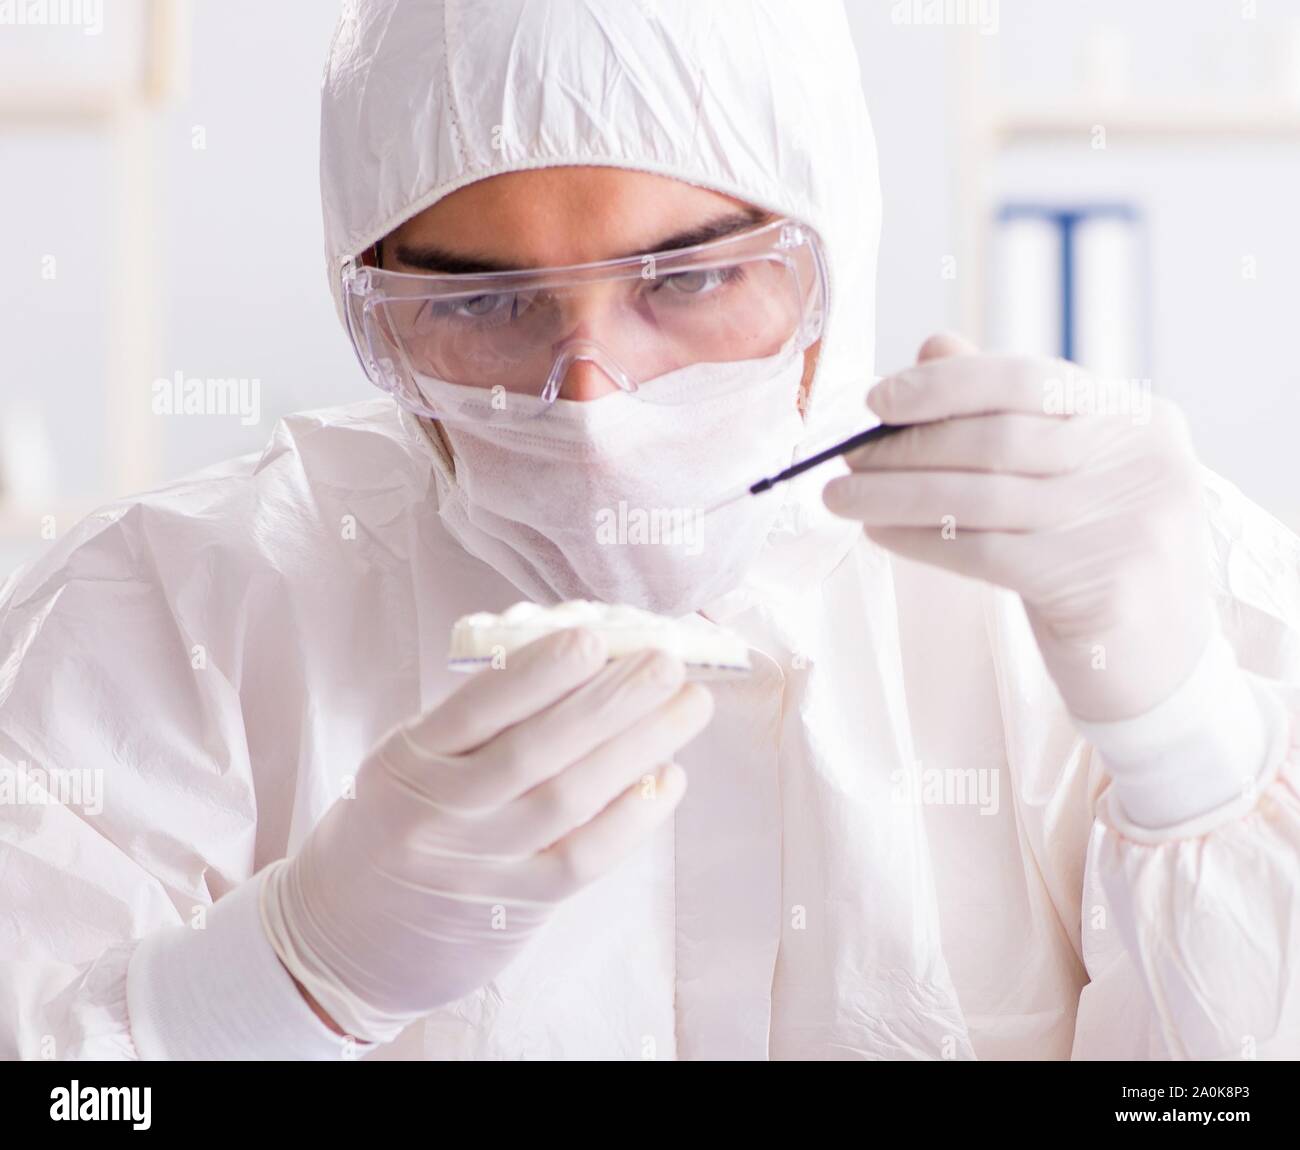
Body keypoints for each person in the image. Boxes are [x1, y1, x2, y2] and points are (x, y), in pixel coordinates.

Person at [1, 0, 1297, 1061]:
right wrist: (278, 981)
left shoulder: (1118, 574)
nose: (591, 401)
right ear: (373, 301)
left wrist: (1182, 741)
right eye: (486, 306)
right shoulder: (166, 620)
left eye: (688, 280)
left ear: (827, 252)